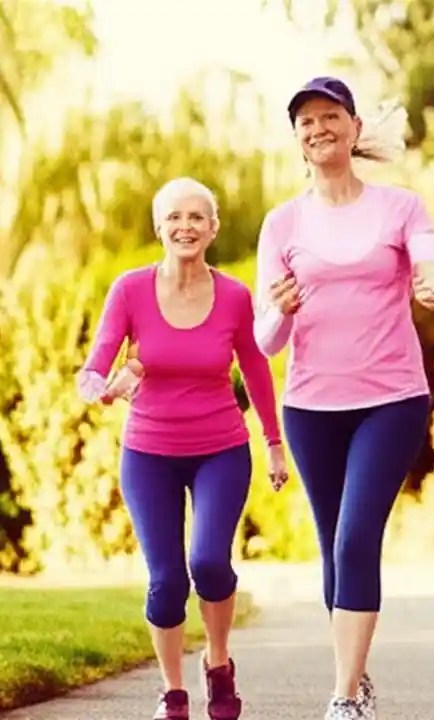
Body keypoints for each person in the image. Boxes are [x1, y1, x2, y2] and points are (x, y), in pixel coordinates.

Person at [253, 76, 434, 720]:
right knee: (333, 543)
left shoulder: (400, 207)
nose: (319, 127)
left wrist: (432, 280)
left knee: (357, 537)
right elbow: (266, 340)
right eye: (306, 121)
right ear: (297, 139)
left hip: (391, 397)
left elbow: (426, 261)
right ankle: (354, 677)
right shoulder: (283, 223)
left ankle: (341, 696)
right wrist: (277, 311)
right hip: (310, 406)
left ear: (355, 128)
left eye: (330, 116)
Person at [77, 177, 287, 720]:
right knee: (167, 581)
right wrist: (99, 386)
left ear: (212, 228)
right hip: (148, 453)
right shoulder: (129, 290)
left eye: (197, 217)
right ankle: (172, 691)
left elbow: (257, 371)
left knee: (210, 563)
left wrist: (274, 441)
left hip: (221, 447)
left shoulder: (236, 296)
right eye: (175, 217)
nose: (186, 227)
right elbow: (97, 361)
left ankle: (218, 663)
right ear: (159, 227)